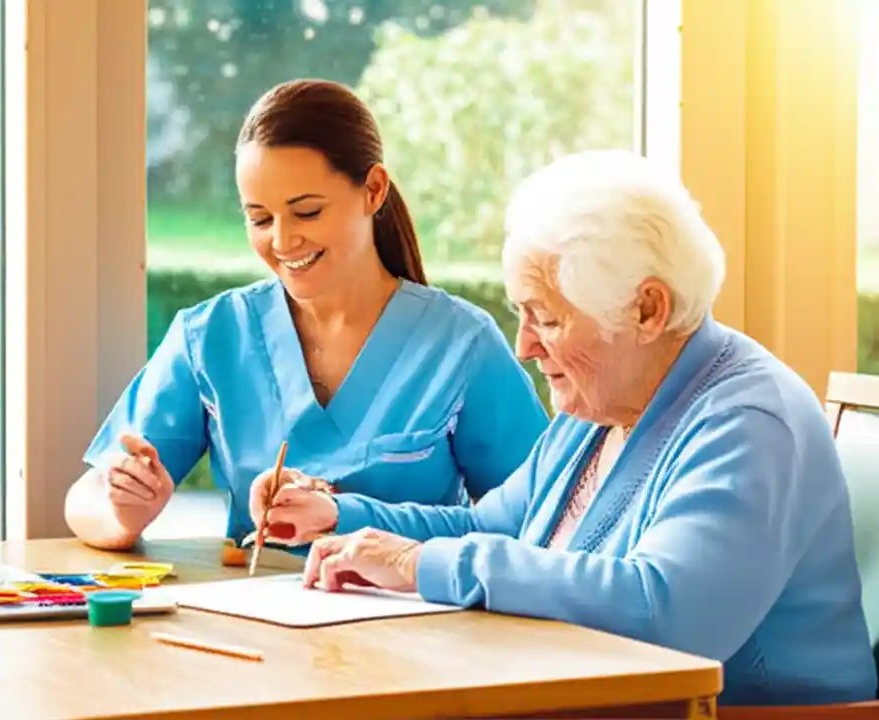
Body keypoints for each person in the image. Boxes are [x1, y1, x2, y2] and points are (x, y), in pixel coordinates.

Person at [253, 150, 878, 706]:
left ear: (647, 310)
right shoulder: (602, 405)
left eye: (546, 320)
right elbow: (490, 527)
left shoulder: (747, 422)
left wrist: (422, 564)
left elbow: (671, 614)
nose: (524, 345)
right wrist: (342, 520)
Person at [64, 79, 548, 550]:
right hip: (250, 620)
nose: (282, 241)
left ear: (374, 190)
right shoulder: (212, 336)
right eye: (259, 218)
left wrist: (351, 517)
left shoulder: (461, 345)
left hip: (415, 621)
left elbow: (543, 516)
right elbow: (89, 496)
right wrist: (123, 513)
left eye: (308, 212)